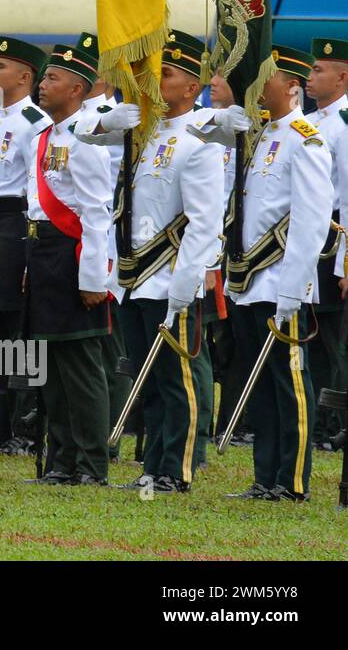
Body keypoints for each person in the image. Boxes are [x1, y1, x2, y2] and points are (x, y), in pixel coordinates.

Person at [77, 31, 223, 493]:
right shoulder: (145, 130)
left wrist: (187, 282)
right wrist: (109, 120)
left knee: (177, 381)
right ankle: (153, 465)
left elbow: (204, 221)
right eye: (153, 74)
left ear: (191, 85)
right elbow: (82, 134)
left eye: (168, 75)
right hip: (135, 276)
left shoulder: (200, 139)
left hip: (170, 278)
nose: (156, 82)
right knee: (150, 379)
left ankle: (176, 471)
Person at [214, 47, 332, 501]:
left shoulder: (306, 137)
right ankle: (265, 477)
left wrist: (294, 286)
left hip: (282, 279)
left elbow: (311, 219)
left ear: (291, 86)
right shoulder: (258, 132)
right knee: (258, 381)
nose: (256, 88)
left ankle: (293, 480)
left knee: (289, 383)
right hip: (248, 280)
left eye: (266, 79)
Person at [22, 40, 112, 485]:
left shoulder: (88, 137)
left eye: (53, 78)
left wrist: (94, 277)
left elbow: (98, 213)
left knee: (80, 365)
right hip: (43, 255)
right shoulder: (44, 136)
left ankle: (91, 465)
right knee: (52, 365)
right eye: (44, 77)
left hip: (73, 257)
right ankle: (62, 460)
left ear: (77, 88)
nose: (43, 84)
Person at [0, 37, 49, 452]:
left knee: (19, 327)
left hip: (18, 224)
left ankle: (21, 426)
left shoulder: (33, 122)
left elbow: (37, 187)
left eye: (0, 66)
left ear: (24, 77)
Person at [305, 36, 348, 451]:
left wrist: (344, 265)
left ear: (343, 76)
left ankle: (333, 422)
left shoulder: (344, 123)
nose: (309, 77)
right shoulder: (311, 121)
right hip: (310, 230)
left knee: (332, 337)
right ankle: (317, 420)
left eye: (319, 70)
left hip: (334, 235)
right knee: (312, 333)